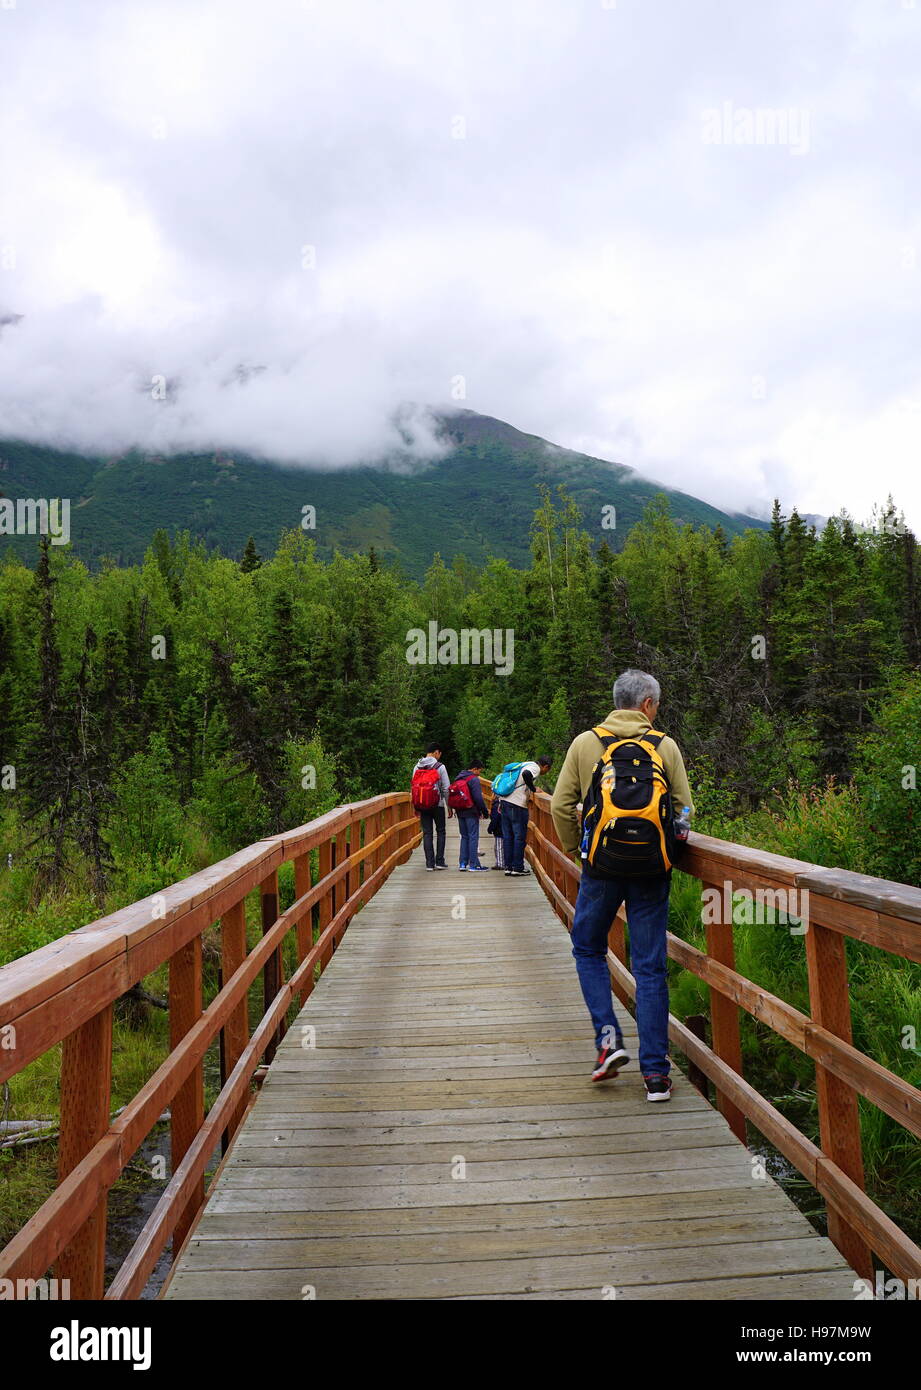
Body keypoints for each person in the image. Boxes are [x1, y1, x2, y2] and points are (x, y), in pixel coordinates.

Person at [550, 670, 694, 1101]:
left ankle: (608, 1040)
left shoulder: (585, 742)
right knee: (650, 966)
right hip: (652, 870)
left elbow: (560, 805)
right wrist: (669, 849)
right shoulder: (664, 745)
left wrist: (581, 850)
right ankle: (655, 1076)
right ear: (647, 704)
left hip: (602, 868)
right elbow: (684, 811)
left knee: (589, 948)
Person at [499, 756, 552, 877]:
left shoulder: (524, 763)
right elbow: (527, 774)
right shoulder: (534, 768)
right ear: (545, 766)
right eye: (547, 770)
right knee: (519, 837)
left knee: (508, 837)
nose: (545, 772)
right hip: (517, 805)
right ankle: (517, 867)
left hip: (505, 802)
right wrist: (533, 789)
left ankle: (508, 867)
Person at [411, 743, 451, 870]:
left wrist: (415, 806)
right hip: (437, 804)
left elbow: (414, 788)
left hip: (422, 805)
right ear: (436, 752)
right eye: (439, 754)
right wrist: (449, 806)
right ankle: (440, 862)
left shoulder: (417, 767)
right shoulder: (440, 766)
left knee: (427, 833)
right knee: (441, 831)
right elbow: (446, 788)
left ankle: (429, 864)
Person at [451, 760, 489, 871]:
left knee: (464, 837)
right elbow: (478, 798)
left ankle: (462, 864)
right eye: (479, 771)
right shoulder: (474, 779)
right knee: (473, 837)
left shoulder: (458, 777)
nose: (479, 774)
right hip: (471, 811)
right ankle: (474, 865)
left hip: (459, 811)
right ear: (475, 769)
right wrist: (484, 812)